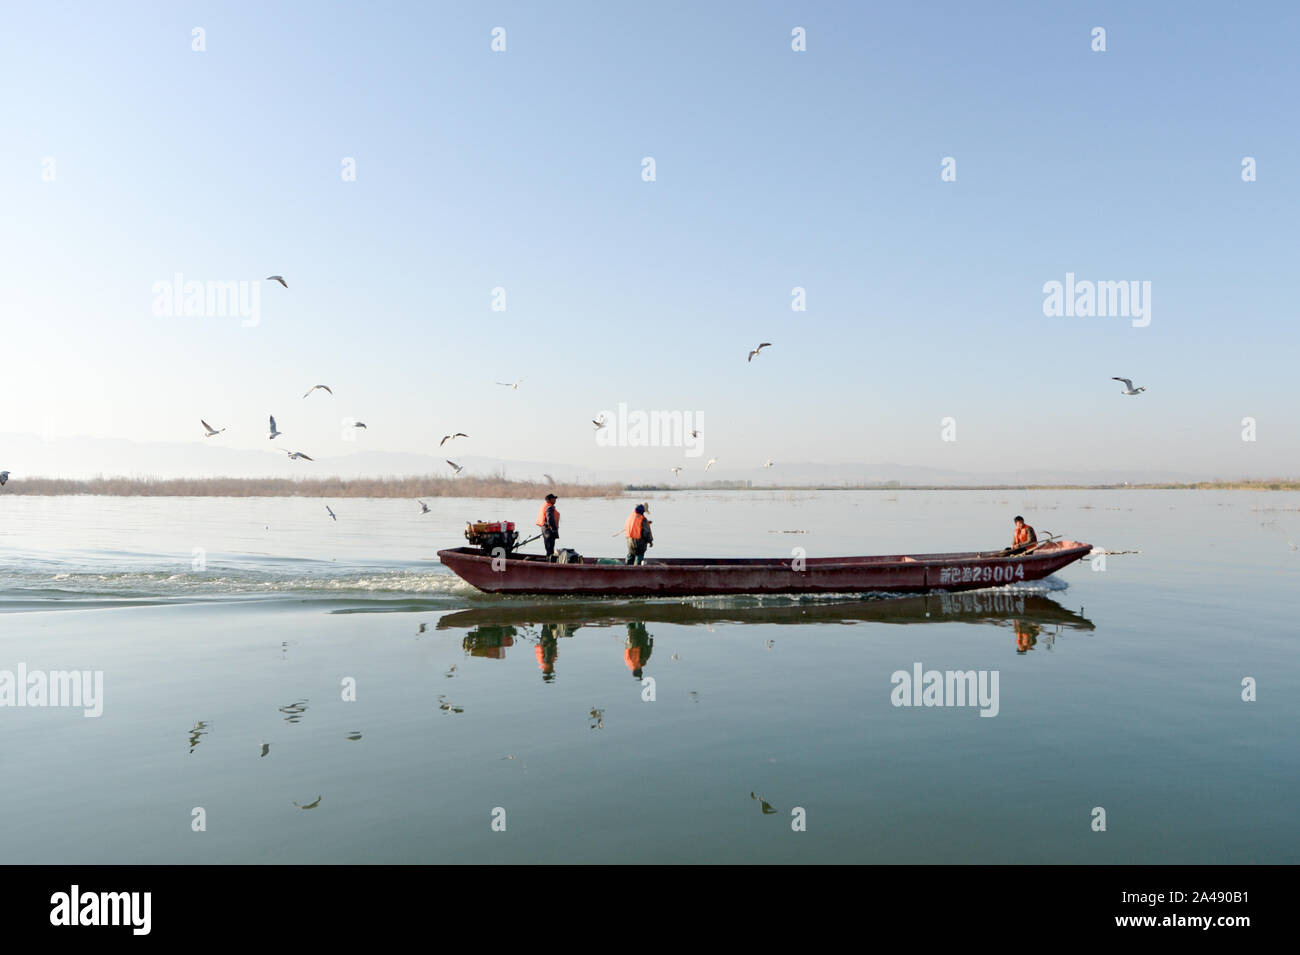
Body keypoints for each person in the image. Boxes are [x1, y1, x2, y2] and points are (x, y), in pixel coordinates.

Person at [536, 493, 559, 561]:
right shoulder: (549, 507)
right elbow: (550, 519)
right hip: (549, 530)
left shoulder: (546, 506)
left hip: (545, 529)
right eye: (554, 499)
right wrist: (554, 529)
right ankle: (549, 562)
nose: (555, 500)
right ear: (550, 500)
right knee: (550, 548)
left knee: (548, 548)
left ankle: (548, 560)